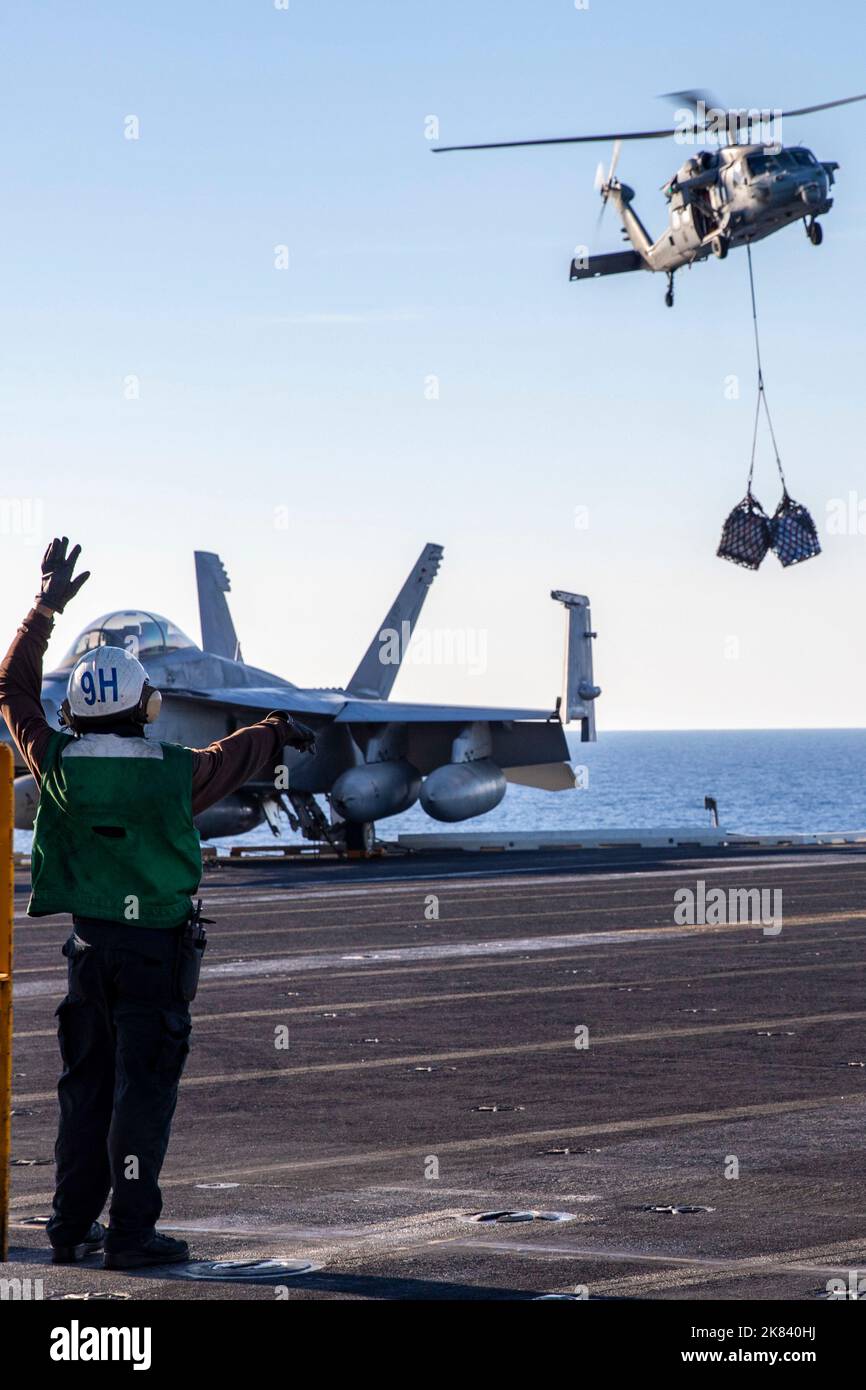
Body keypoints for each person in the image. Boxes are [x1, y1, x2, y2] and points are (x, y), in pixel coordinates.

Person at [0, 538, 315, 1269]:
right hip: (155, 959)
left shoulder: (53, 765)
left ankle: (71, 1227)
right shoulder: (176, 772)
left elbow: (13, 691)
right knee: (141, 1099)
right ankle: (132, 1235)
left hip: (88, 954)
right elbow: (240, 756)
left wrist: (44, 607)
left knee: (84, 1094)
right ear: (148, 706)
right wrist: (276, 732)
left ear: (77, 706)